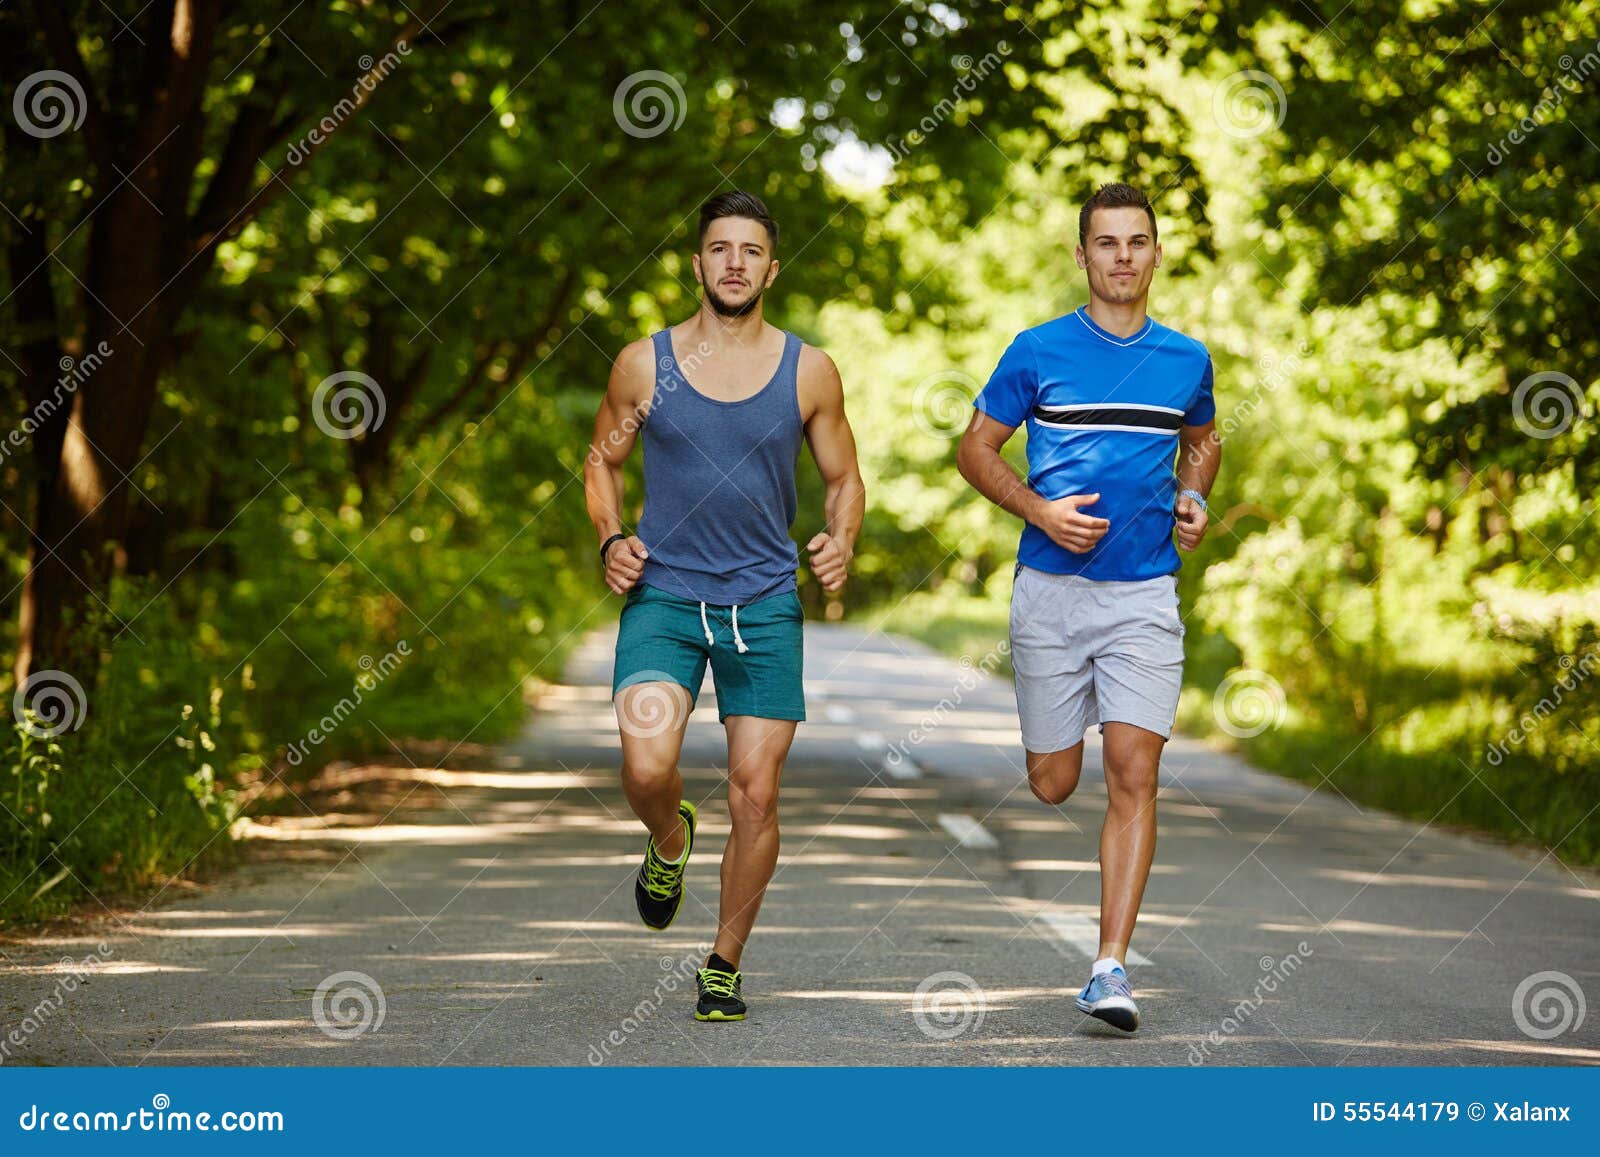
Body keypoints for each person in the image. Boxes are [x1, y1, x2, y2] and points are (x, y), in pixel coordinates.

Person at [584, 190, 865, 1022]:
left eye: (751, 250)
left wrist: (842, 538)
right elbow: (601, 462)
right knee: (645, 767)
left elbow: (845, 478)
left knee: (755, 795)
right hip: (665, 594)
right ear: (697, 263)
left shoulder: (809, 370)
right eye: (719, 248)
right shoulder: (644, 365)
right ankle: (669, 838)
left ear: (771, 269)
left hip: (765, 603)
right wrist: (610, 537)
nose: (735, 263)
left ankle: (722, 964)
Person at [956, 182, 1220, 1032]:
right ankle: (1066, 733)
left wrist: (1194, 497)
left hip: (1144, 595)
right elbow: (974, 449)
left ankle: (1109, 967)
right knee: (1053, 782)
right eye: (1106, 242)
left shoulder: (1187, 358)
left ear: (1156, 253)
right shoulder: (1037, 350)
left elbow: (1203, 439)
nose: (1122, 257)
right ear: (1082, 255)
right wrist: (1039, 510)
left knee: (1134, 774)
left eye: (1137, 241)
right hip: (1052, 594)